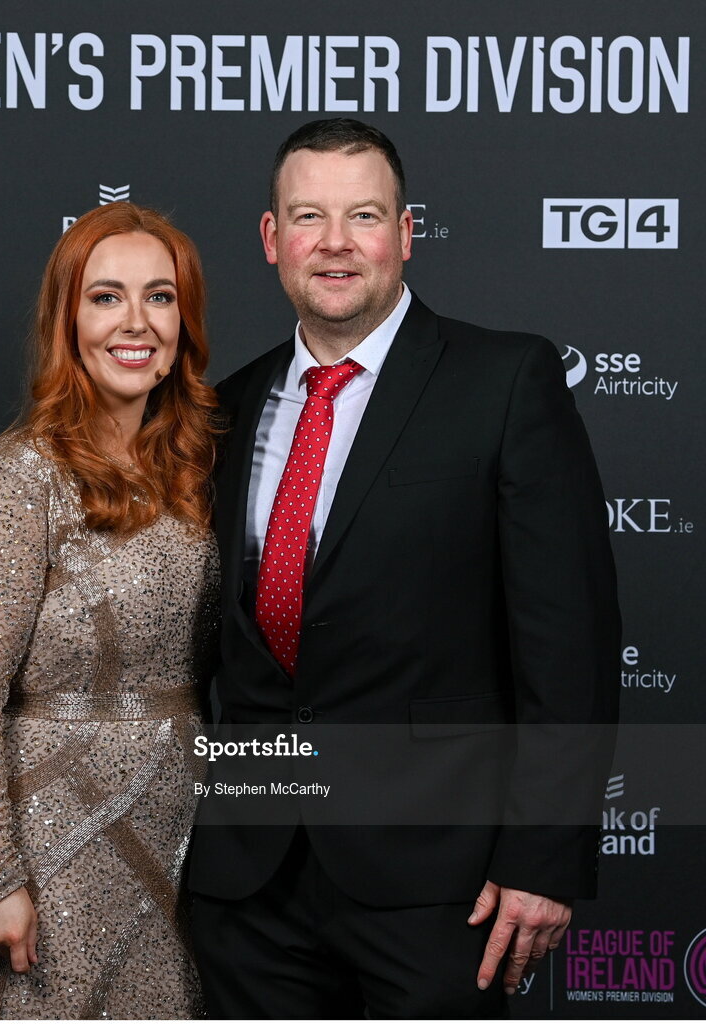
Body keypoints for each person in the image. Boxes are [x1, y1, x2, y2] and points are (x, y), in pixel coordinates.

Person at [188, 118, 620, 1018]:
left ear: (406, 233)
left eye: (364, 216)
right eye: (309, 216)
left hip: (441, 889)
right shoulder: (222, 410)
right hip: (249, 883)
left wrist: (543, 857)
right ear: (273, 241)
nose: (336, 244)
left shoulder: (505, 381)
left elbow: (568, 644)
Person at [0, 202, 219, 1020]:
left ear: (185, 320)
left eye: (160, 297)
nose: (136, 322)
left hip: (189, 834)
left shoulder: (200, 469)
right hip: (48, 841)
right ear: (68, 319)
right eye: (106, 297)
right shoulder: (19, 476)